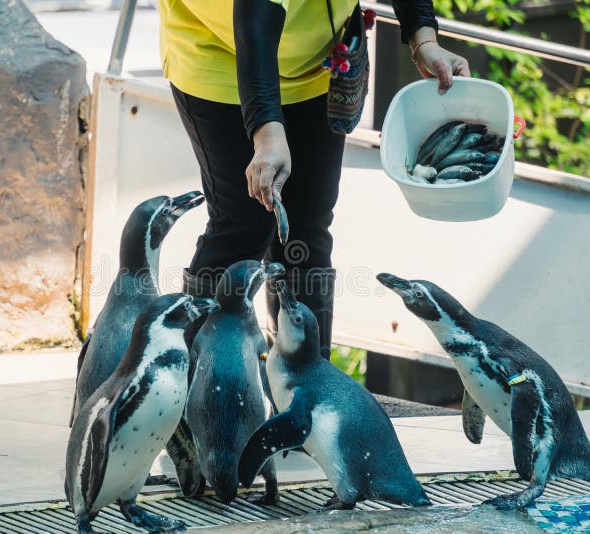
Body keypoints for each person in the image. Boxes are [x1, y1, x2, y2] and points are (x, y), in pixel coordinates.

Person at [158, 0, 470, 359]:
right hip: (220, 54)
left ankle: (307, 391)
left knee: (307, 228)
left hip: (316, 64)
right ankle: (192, 386)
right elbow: (254, 21)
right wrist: (267, 134)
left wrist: (423, 39)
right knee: (243, 225)